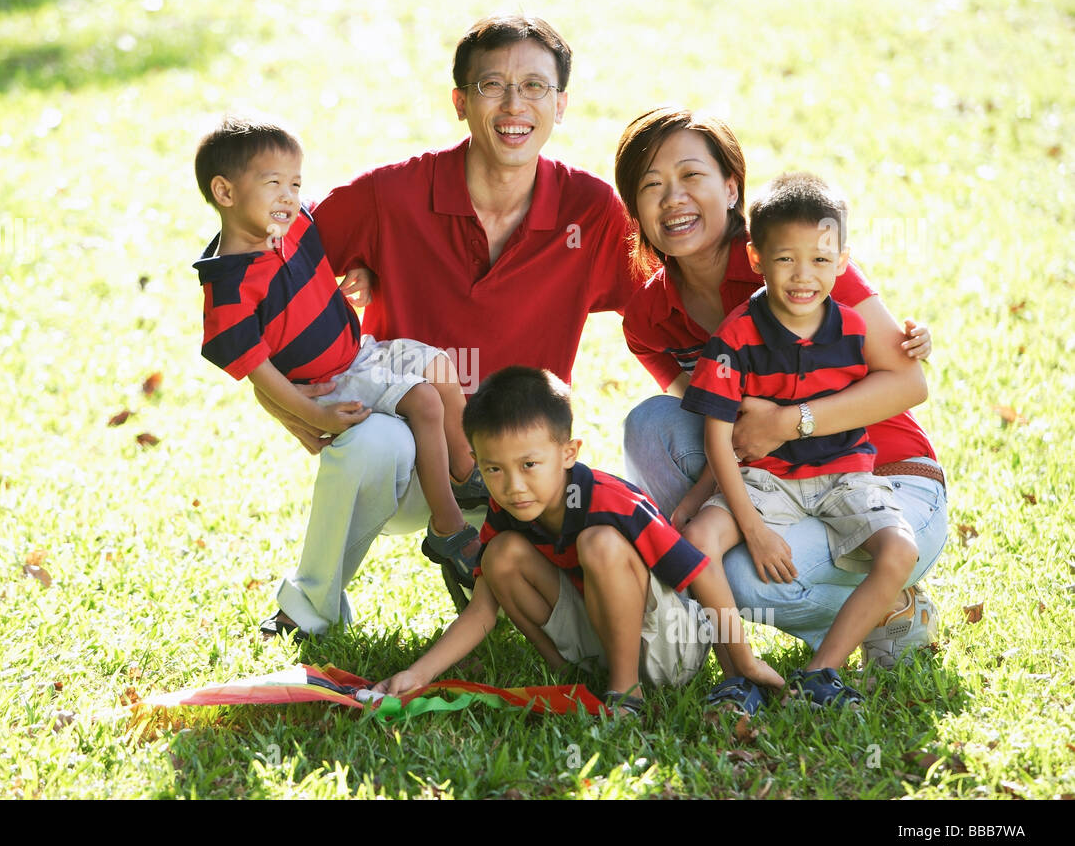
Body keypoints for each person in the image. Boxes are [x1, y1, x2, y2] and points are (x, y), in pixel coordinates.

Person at [252, 16, 638, 638]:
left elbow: (667, 302)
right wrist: (285, 403)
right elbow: (262, 259)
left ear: (561, 105)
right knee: (375, 442)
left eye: (536, 87)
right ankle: (309, 610)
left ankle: (492, 561)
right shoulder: (393, 196)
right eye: (493, 85)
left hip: (522, 471)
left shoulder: (589, 211)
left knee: (588, 628)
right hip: (410, 457)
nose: (515, 106)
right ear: (460, 102)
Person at [616, 107, 946, 673]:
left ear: (730, 186)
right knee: (652, 426)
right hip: (780, 483)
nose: (673, 198)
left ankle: (888, 605)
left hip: (884, 479)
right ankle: (863, 610)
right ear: (636, 210)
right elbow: (719, 430)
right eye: (651, 185)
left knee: (745, 580)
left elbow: (909, 380)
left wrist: (794, 422)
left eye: (691, 176)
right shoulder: (649, 318)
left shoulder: (796, 258)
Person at [191, 118, 483, 624]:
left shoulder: (296, 224)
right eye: (274, 183)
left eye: (296, 182)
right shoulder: (229, 286)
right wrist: (310, 412)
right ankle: (448, 525)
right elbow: (256, 368)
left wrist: (361, 273)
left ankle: (464, 472)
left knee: (439, 367)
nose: (290, 195)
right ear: (225, 191)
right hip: (334, 380)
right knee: (426, 401)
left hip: (362, 351)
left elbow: (340, 253)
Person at [679, 172, 920, 708]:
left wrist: (921, 339)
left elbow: (907, 374)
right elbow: (721, 441)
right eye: (786, 259)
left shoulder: (855, 329)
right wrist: (752, 529)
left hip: (845, 475)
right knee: (699, 542)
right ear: (756, 259)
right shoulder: (734, 339)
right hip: (765, 480)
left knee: (900, 548)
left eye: (820, 258)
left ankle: (821, 674)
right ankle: (739, 672)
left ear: (842, 259)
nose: (803, 275)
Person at [373, 366, 730, 713]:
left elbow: (704, 573)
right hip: (602, 641)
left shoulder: (612, 500)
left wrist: (743, 669)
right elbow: (482, 610)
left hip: (670, 649)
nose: (514, 486)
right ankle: (570, 677)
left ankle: (625, 694)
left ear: (568, 453)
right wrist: (418, 674)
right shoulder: (507, 508)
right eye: (494, 469)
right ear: (476, 462)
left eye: (529, 465)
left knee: (599, 543)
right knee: (500, 555)